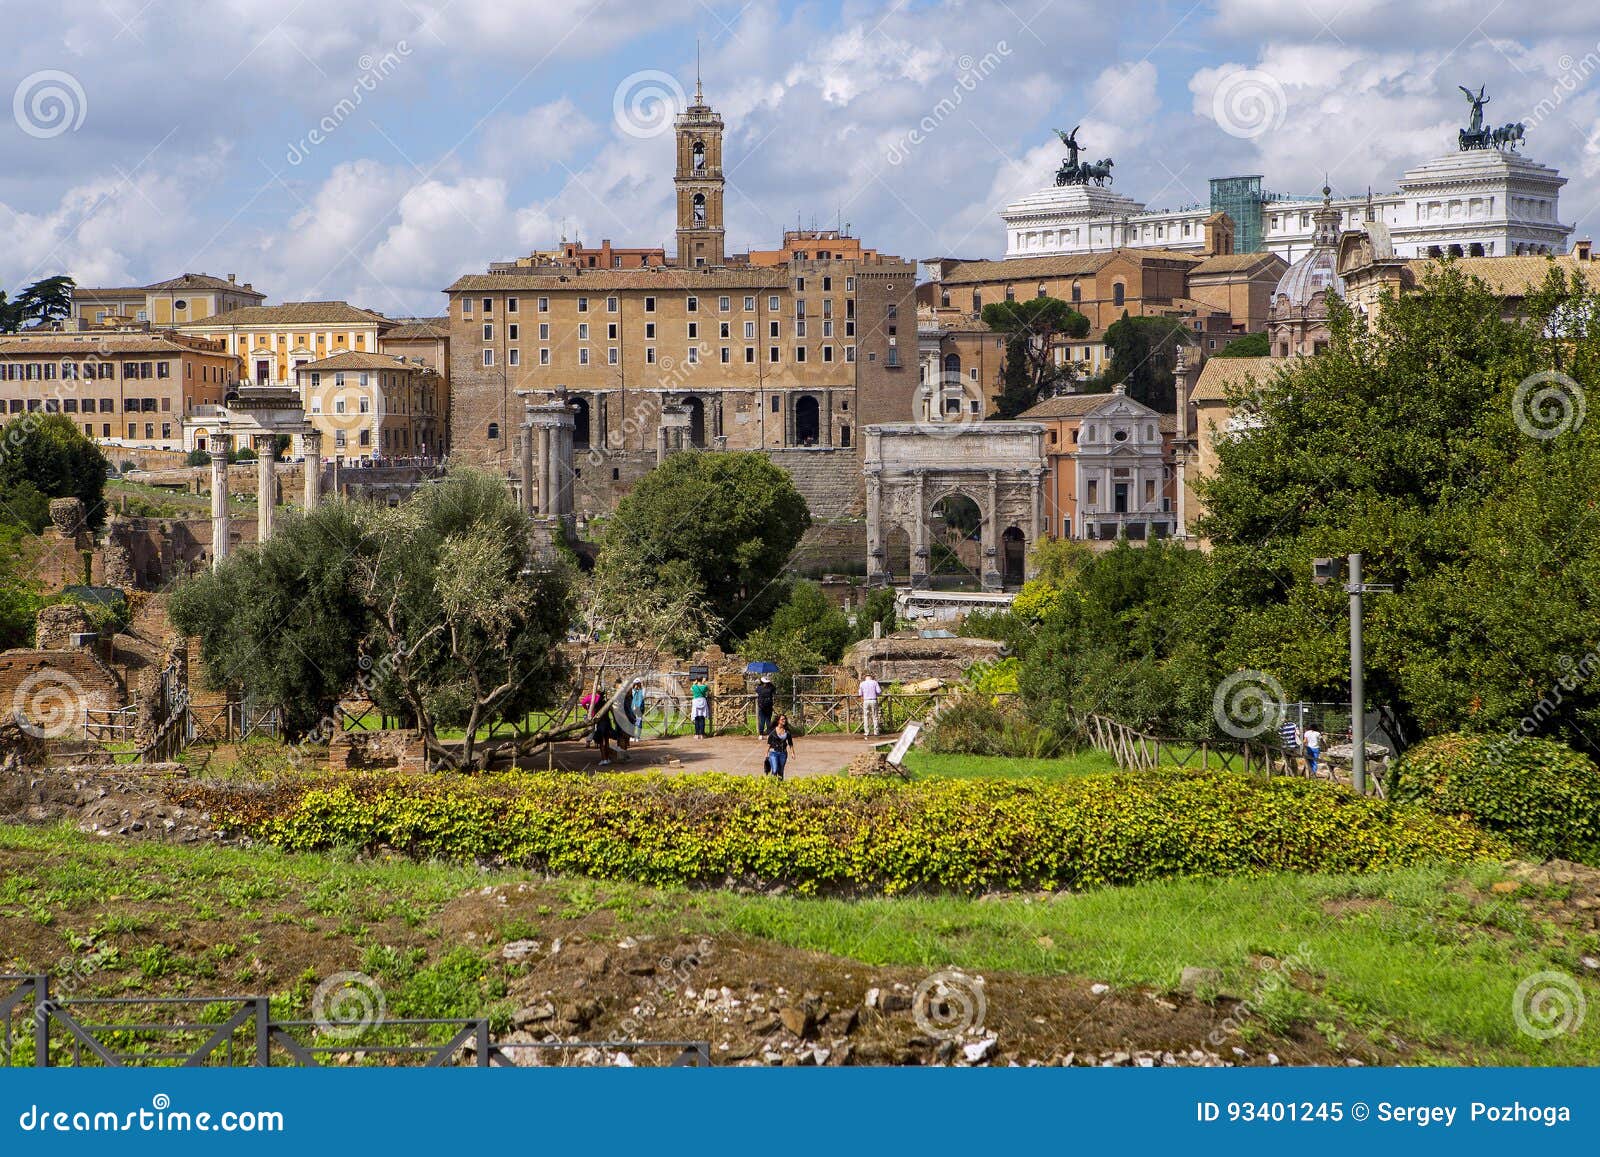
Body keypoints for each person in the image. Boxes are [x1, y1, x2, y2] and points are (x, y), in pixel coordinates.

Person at [764, 714, 795, 780]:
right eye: (782, 719)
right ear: (778, 721)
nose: (784, 720)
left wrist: (792, 753)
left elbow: (790, 743)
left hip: (783, 753)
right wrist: (766, 753)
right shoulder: (773, 732)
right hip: (773, 753)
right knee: (774, 770)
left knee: (780, 771)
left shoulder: (787, 732)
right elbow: (769, 743)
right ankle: (772, 785)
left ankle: (780, 786)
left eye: (785, 719)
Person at [858, 670, 883, 737]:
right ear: (871, 677)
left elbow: (860, 694)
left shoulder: (862, 684)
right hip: (873, 700)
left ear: (865, 677)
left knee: (866, 717)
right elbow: (879, 691)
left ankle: (866, 732)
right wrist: (876, 694)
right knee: (875, 716)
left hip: (866, 701)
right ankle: (876, 732)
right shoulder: (875, 682)